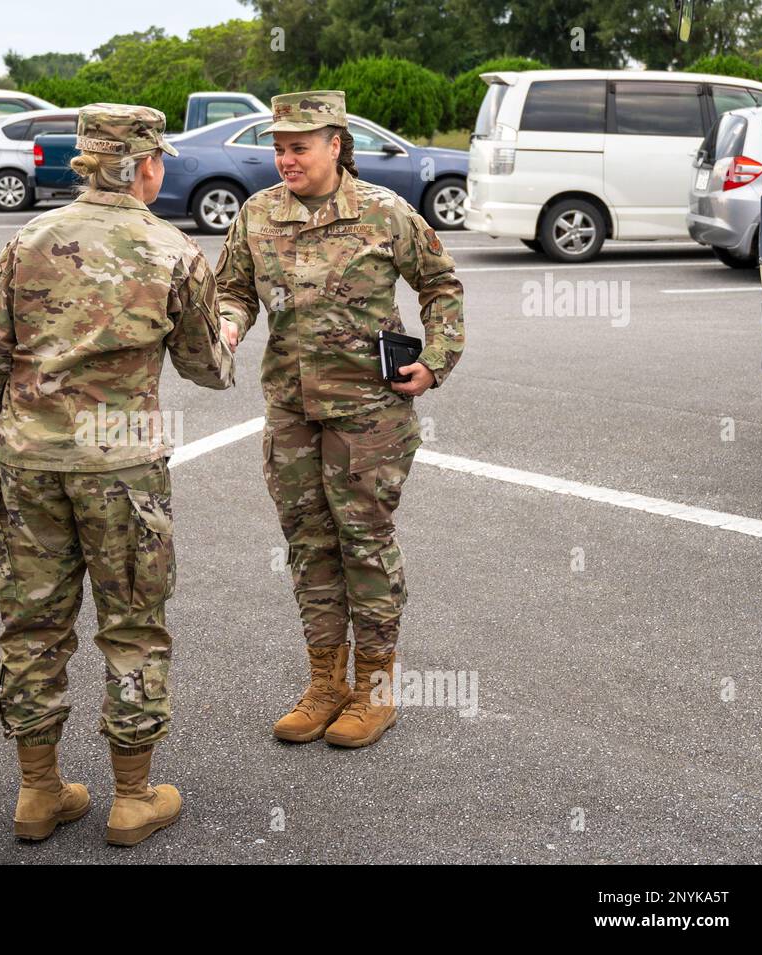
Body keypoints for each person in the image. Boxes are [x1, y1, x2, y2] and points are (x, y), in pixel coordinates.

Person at [0, 104, 234, 846]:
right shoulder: (171, 247)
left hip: (30, 462)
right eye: (159, 160)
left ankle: (39, 791)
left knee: (33, 627)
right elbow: (209, 369)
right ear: (144, 164)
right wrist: (226, 329)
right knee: (134, 625)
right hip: (122, 468)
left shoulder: (27, 238)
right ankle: (133, 796)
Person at [215, 90, 465, 748]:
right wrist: (230, 325)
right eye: (278, 146)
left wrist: (436, 360)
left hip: (369, 416)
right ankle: (326, 683)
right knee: (309, 545)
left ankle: (375, 689)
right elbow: (234, 290)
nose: (285, 158)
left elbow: (440, 283)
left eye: (299, 146)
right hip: (293, 413)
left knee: (365, 545)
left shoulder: (383, 214)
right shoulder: (257, 214)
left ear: (335, 144)